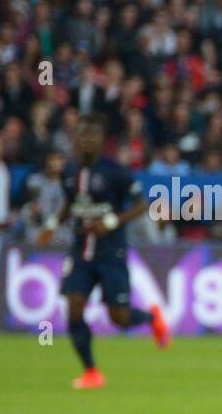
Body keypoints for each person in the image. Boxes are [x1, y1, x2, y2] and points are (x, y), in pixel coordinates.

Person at [36, 113, 170, 389]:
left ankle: (151, 318)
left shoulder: (115, 171)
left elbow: (139, 205)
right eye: (81, 137)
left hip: (111, 252)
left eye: (91, 137)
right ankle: (91, 372)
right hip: (80, 251)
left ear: (100, 142)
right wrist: (51, 224)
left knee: (118, 317)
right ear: (76, 140)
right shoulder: (70, 171)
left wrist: (110, 222)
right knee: (74, 310)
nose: (86, 142)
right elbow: (70, 204)